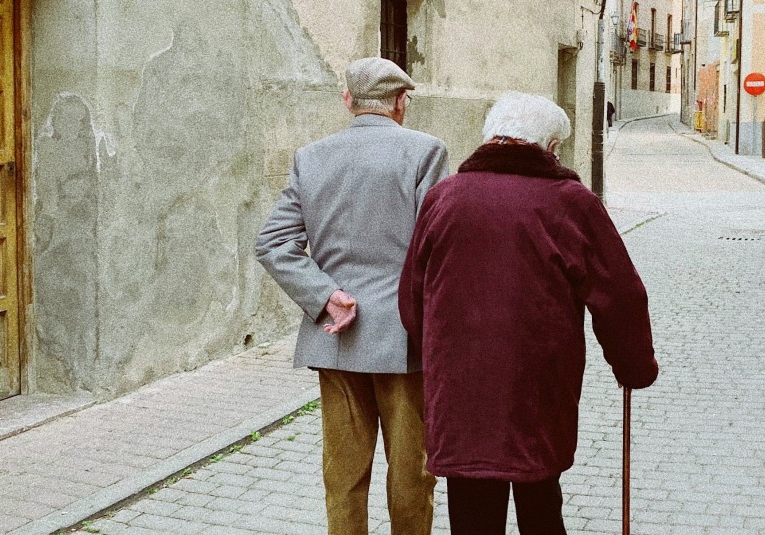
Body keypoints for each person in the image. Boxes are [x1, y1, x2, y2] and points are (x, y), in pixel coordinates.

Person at [398, 92, 658, 535]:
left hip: (462, 392)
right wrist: (633, 365)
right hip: (537, 389)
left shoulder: (444, 198)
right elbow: (620, 295)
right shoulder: (570, 202)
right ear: (551, 148)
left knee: (471, 509)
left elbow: (411, 297)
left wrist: (439, 354)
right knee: (540, 502)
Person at [255, 57, 449, 535]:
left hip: (336, 338)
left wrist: (325, 295)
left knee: (342, 477)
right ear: (401, 103)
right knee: (411, 477)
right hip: (405, 341)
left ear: (347, 101)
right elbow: (439, 245)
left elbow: (272, 242)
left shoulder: (311, 156)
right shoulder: (427, 152)